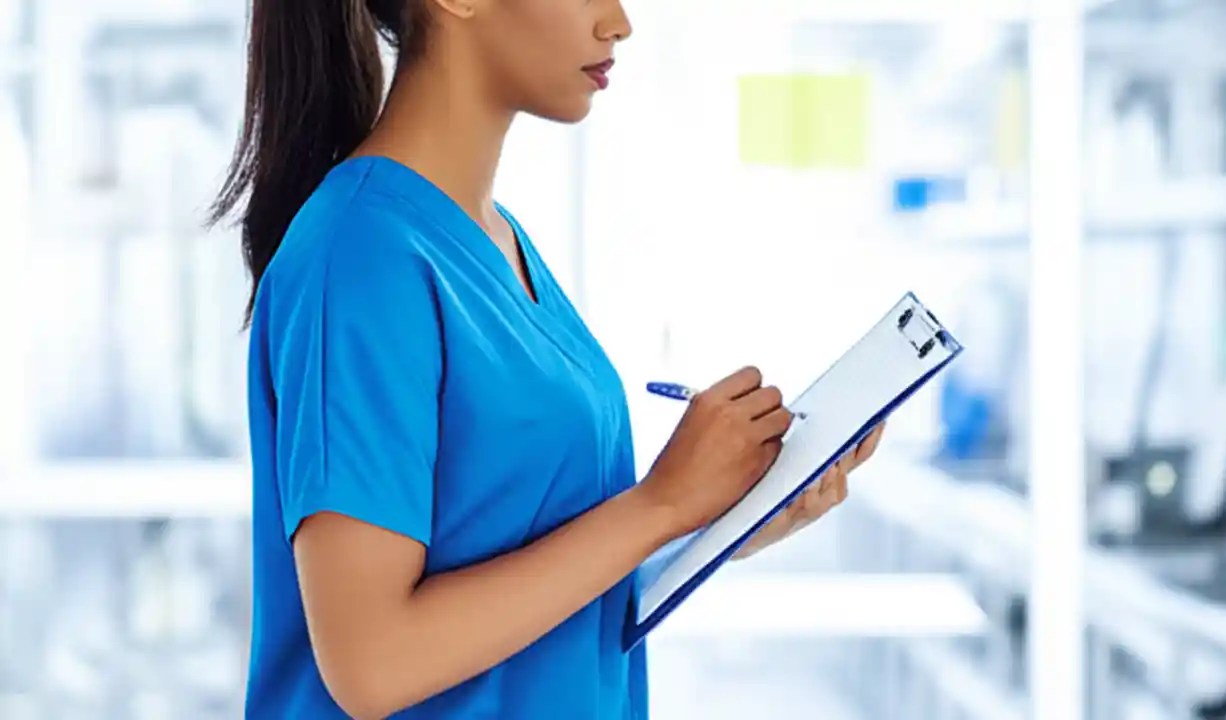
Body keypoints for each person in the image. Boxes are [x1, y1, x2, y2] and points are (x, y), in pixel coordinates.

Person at [210, 1, 886, 718]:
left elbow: (535, 600)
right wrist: (660, 504)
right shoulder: (361, 254)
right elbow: (374, 663)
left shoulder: (497, 241)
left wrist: (723, 520)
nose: (619, 20)